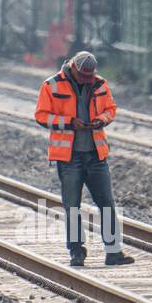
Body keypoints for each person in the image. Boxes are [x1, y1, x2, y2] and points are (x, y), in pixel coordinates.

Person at [33, 50, 135, 268]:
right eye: (83, 76)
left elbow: (110, 109)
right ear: (73, 69)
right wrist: (70, 122)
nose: (87, 80)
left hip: (96, 155)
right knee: (72, 206)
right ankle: (76, 252)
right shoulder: (51, 85)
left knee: (106, 203)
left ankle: (113, 252)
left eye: (90, 76)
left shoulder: (99, 84)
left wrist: (101, 120)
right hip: (69, 158)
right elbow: (42, 115)